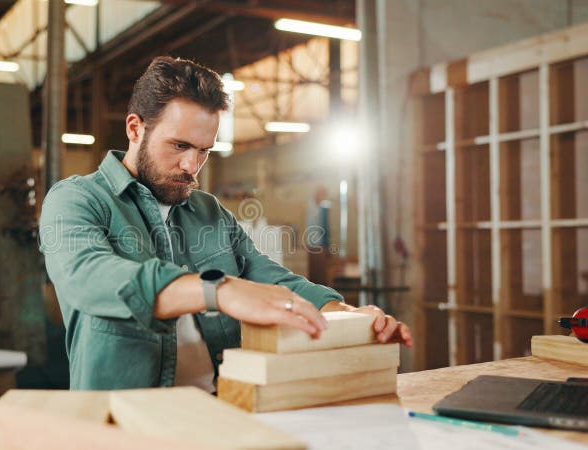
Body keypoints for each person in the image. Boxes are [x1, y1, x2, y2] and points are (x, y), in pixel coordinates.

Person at [39, 56, 412, 391]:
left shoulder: (210, 212)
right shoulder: (77, 200)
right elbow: (90, 278)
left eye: (204, 151)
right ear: (135, 129)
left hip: (221, 411)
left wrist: (345, 315)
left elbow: (271, 278)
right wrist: (219, 290)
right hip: (123, 423)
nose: (192, 166)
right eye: (180, 146)